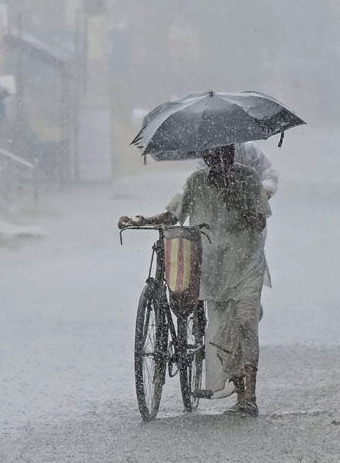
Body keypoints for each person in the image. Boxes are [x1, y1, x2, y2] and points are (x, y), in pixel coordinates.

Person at [119, 144, 272, 416]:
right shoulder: (196, 182)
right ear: (206, 159)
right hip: (215, 268)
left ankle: (250, 395)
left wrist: (237, 202)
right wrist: (141, 220)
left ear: (231, 154)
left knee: (246, 320)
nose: (219, 161)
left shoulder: (248, 178)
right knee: (222, 330)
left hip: (247, 262)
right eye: (213, 157)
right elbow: (174, 215)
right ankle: (240, 392)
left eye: (224, 154)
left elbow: (260, 222)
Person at [199, 141, 279, 198]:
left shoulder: (248, 149)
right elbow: (201, 187)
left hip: (249, 210)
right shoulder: (206, 154)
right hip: (219, 212)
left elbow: (269, 174)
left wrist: (258, 194)